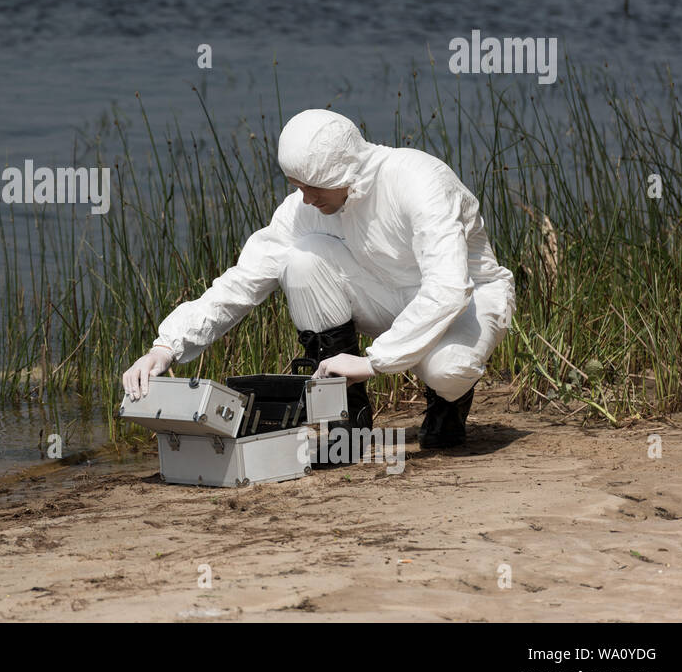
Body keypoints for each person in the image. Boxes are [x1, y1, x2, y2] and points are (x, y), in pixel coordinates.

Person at [121, 108, 515, 449]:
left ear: (342, 171)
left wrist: (374, 362)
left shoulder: (420, 180)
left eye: (312, 187)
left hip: (470, 297)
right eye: (297, 187)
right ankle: (348, 416)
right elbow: (242, 282)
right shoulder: (310, 205)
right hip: (389, 295)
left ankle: (446, 405)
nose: (305, 198)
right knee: (301, 258)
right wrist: (165, 347)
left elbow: (448, 288)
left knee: (447, 372)